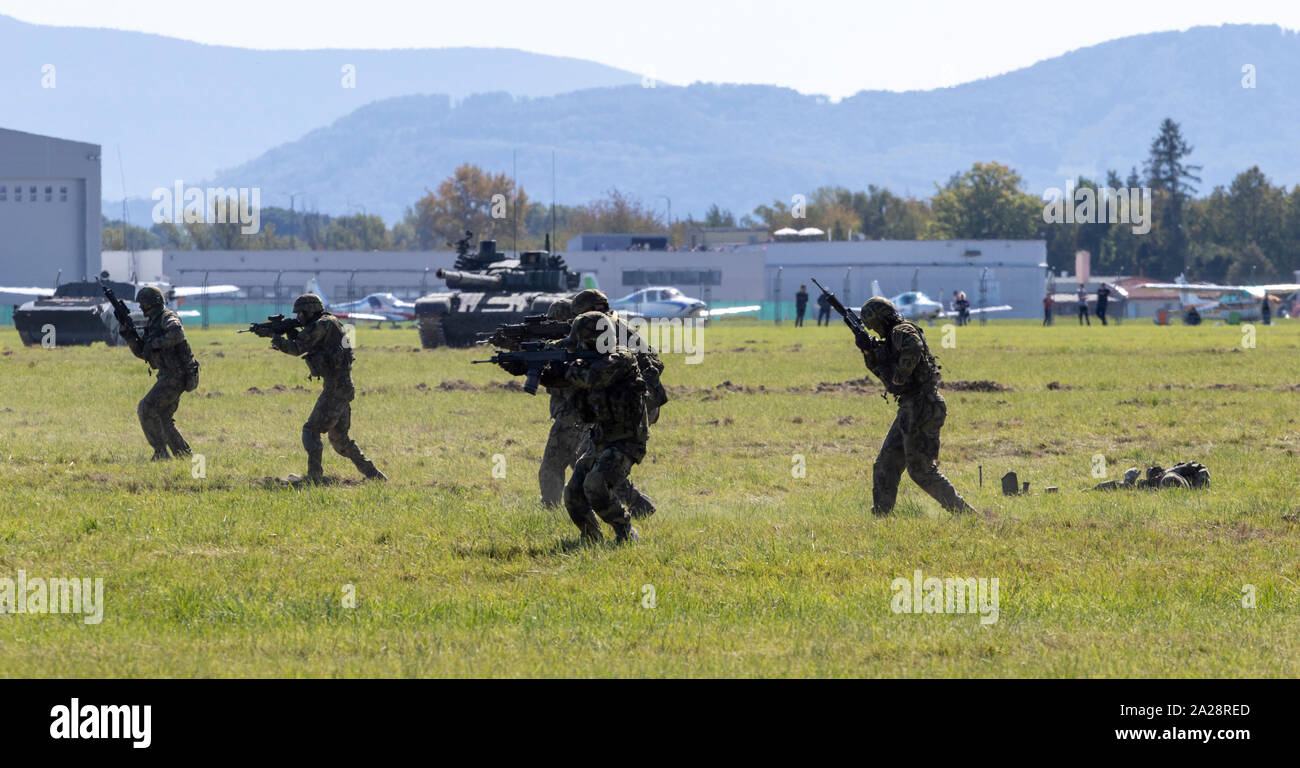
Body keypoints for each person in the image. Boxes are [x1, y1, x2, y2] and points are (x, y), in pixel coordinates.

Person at [856, 296, 976, 516]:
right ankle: (881, 517)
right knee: (886, 464)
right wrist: (868, 353)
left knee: (920, 470)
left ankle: (966, 515)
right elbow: (885, 375)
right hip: (910, 408)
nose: (875, 331)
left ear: (881, 320)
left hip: (922, 407)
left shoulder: (902, 331)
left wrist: (901, 376)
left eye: (874, 326)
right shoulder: (892, 338)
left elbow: (914, 346)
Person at [541, 311, 651, 544]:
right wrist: (543, 373)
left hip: (626, 440)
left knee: (595, 485)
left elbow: (593, 376)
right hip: (600, 437)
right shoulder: (587, 362)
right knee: (573, 493)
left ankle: (625, 531)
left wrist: (565, 370)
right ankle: (591, 538)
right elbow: (575, 385)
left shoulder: (622, 358)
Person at [267, 293, 386, 483]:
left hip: (336, 388)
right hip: (342, 387)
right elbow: (306, 342)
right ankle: (375, 476)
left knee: (311, 431)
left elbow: (297, 348)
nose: (299, 318)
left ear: (310, 311)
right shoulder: (329, 322)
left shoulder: (322, 324)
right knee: (340, 441)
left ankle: (314, 477)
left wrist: (276, 338)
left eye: (301, 314)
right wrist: (287, 332)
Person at [567, 289, 660, 517]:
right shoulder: (601, 328)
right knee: (597, 457)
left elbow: (652, 363)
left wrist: (623, 382)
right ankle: (638, 506)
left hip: (633, 407)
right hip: (613, 404)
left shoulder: (616, 330)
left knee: (595, 456)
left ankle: (633, 508)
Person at [122, 285, 198, 460]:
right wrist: (130, 337)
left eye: (143, 304)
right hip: (168, 374)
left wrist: (154, 343)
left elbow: (177, 333)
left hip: (177, 375)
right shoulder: (154, 322)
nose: (141, 308)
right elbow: (144, 353)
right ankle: (184, 456)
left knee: (147, 408)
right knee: (163, 417)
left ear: (153, 303)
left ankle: (161, 454)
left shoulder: (167, 317)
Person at [537, 299, 587, 507]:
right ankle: (636, 505)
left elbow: (569, 384)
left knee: (551, 465)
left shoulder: (574, 350)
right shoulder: (575, 345)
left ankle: (550, 507)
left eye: (555, 323)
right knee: (588, 468)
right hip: (581, 416)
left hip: (572, 415)